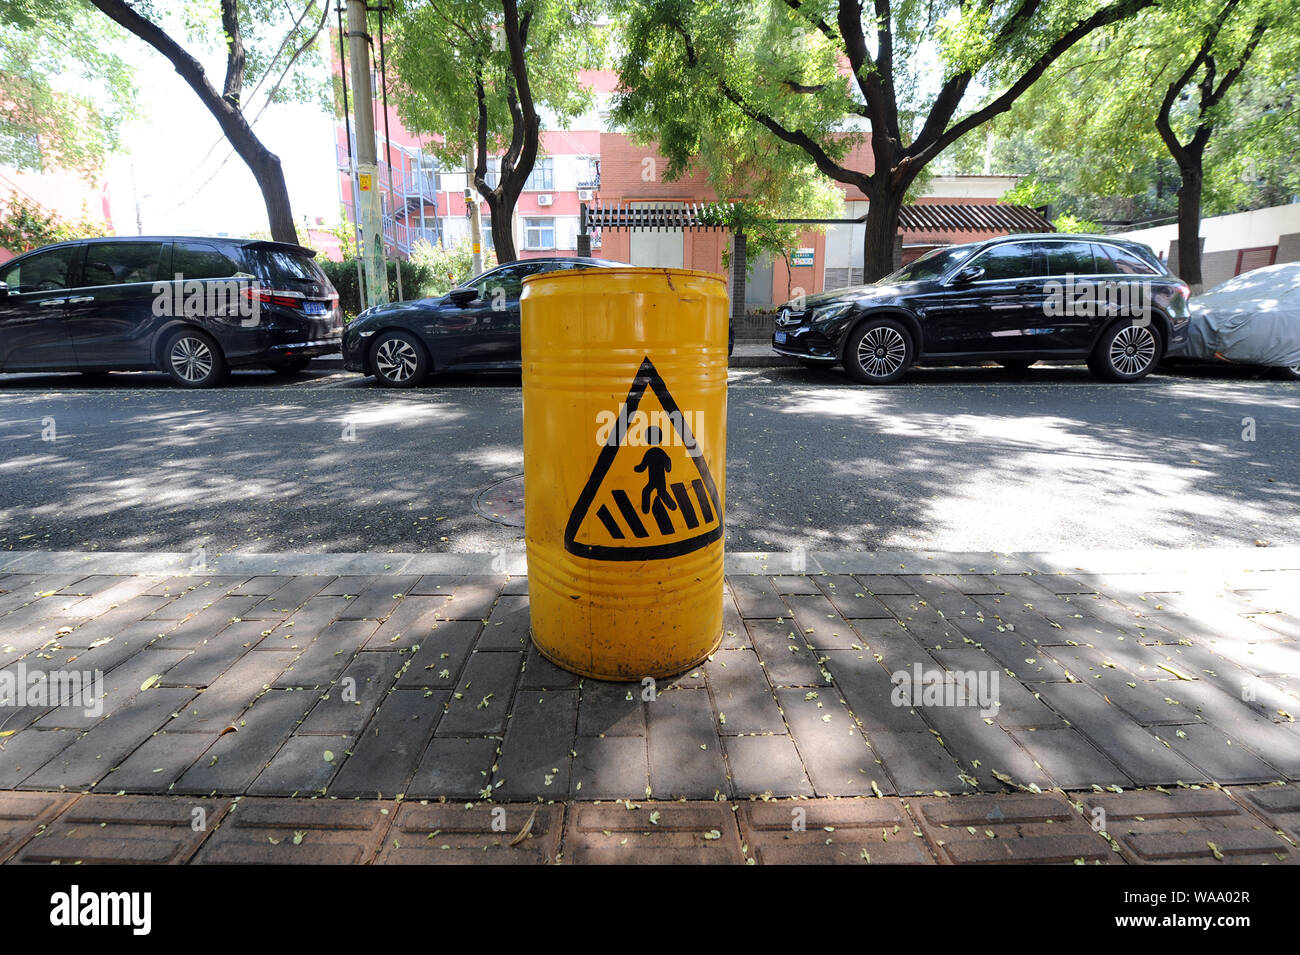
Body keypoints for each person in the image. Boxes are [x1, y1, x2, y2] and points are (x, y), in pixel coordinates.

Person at [633, 426, 677, 515]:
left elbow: (642, 466)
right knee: (657, 492)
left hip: (655, 480)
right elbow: (667, 460)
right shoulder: (659, 452)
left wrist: (637, 468)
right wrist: (668, 468)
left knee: (649, 491)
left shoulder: (650, 452)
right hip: (657, 480)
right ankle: (671, 506)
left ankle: (672, 506)